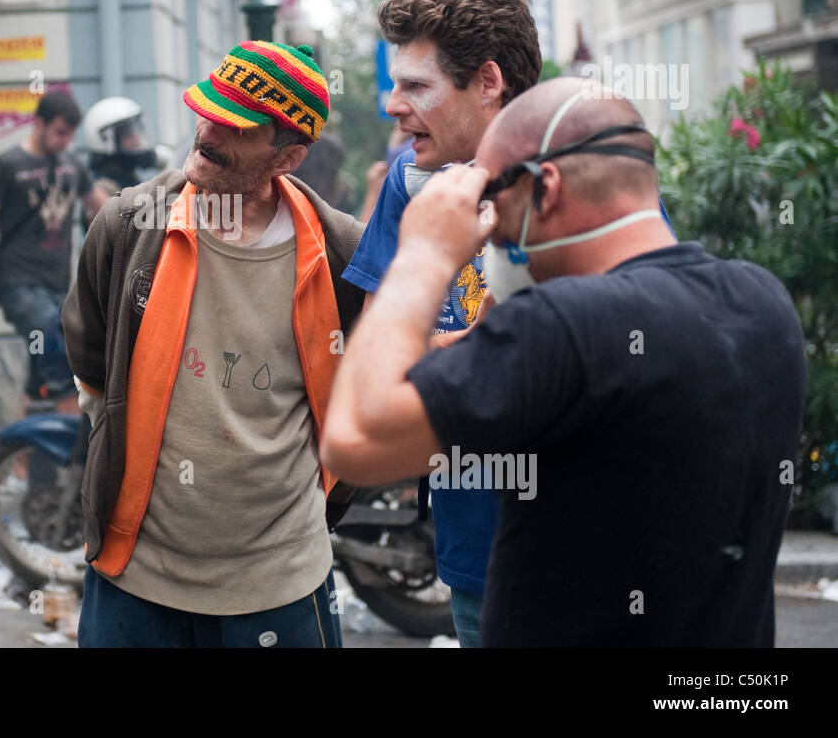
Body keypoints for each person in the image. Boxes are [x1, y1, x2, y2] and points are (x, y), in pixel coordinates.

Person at [322, 77, 805, 646]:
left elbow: (354, 437)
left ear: (544, 188)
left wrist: (425, 253)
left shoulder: (564, 328)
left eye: (493, 204)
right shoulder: (763, 302)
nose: (490, 230)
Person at [62, 41, 365, 648]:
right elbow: (93, 369)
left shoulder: (342, 254)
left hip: (280, 584)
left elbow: (360, 400)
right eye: (207, 111)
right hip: (136, 576)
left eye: (236, 127)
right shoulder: (127, 227)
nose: (208, 131)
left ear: (289, 156)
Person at [344, 0, 542, 645]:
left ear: (487, 81)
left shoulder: (585, 177)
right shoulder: (409, 177)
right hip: (470, 550)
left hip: (589, 550)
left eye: (416, 88)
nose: (393, 106)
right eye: (395, 84)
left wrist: (437, 359)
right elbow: (375, 359)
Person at [0, 89, 107, 413]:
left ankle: (20, 459)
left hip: (58, 287)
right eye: (60, 132)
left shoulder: (71, 165)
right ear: (39, 123)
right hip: (18, 285)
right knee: (61, 349)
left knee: (39, 377)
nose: (65, 141)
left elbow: (103, 209)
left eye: (70, 135)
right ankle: (75, 457)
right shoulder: (8, 165)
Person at [78, 94, 168, 199]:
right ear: (106, 140)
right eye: (128, 135)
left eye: (138, 132)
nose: (137, 140)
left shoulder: (127, 178)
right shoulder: (104, 188)